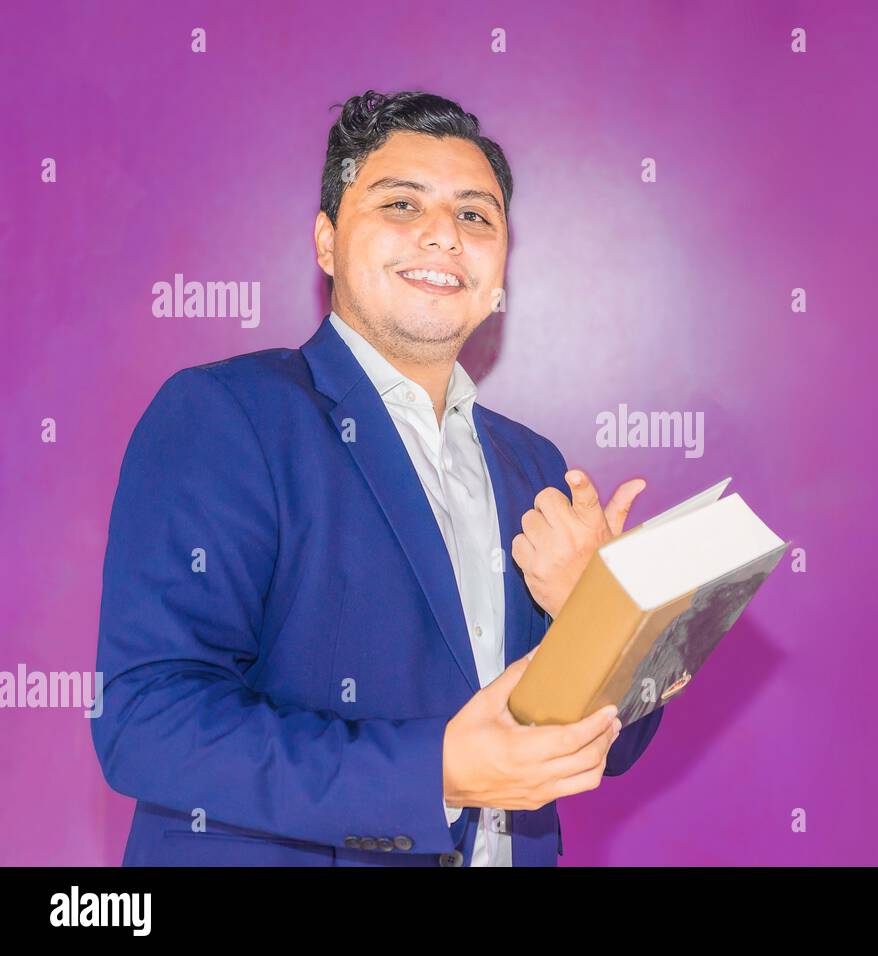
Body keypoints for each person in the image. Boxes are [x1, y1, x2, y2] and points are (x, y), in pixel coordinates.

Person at [91, 89, 663, 867]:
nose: (442, 234)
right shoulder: (227, 415)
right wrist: (439, 775)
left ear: (501, 270)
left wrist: (598, 619)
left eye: (475, 216)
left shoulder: (535, 466)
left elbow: (606, 746)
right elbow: (149, 724)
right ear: (326, 243)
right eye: (401, 204)